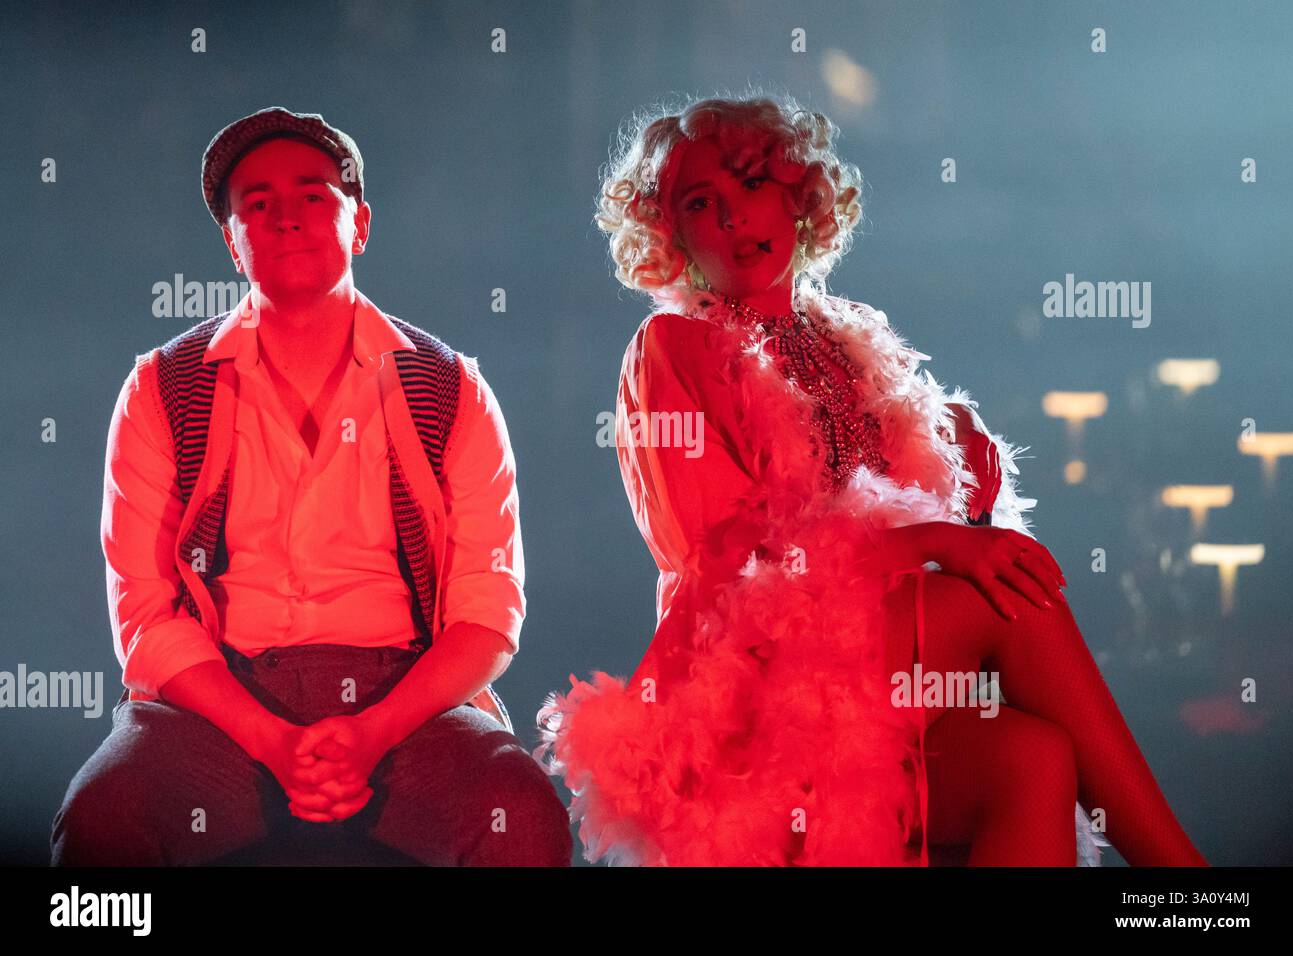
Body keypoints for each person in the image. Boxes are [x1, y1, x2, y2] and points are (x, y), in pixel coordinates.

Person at [535, 92, 1207, 867]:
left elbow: (914, 531)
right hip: (757, 688)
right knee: (1014, 605)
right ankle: (1189, 890)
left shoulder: (852, 339)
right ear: (671, 232)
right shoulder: (675, 347)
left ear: (799, 197)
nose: (733, 216)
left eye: (753, 184)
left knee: (1034, 760)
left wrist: (972, 497)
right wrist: (940, 540)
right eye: (700, 202)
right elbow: (730, 568)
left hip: (887, 669)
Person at [51, 107, 572, 866]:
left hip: (409, 704)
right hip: (218, 707)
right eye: (256, 204)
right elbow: (143, 612)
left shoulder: (450, 388)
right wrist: (271, 739)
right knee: (101, 821)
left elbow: (488, 614)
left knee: (519, 814)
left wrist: (371, 733)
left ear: (360, 223)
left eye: (313, 194)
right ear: (232, 242)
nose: (285, 216)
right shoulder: (161, 388)